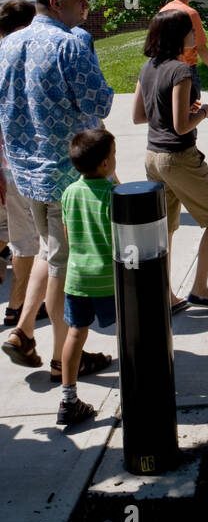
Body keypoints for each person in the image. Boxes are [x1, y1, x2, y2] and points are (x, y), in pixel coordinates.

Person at [0, 0, 114, 374]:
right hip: (66, 175)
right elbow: (99, 100)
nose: (86, 6)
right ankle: (63, 358)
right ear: (56, 3)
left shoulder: (8, 44)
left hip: (25, 172)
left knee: (50, 255)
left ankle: (24, 332)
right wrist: (87, 47)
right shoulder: (71, 44)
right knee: (63, 267)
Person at [132, 11, 208, 309]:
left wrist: (182, 111)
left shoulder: (148, 67)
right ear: (179, 36)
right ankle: (200, 288)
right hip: (179, 157)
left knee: (166, 229)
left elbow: (138, 116)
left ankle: (166, 295)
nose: (195, 37)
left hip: (153, 157)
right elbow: (181, 126)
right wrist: (203, 112)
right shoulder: (182, 70)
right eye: (191, 32)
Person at [57, 128, 120, 427]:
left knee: (75, 334)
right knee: (131, 330)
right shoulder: (112, 196)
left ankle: (68, 399)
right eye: (114, 155)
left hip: (78, 279)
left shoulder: (69, 193)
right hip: (109, 279)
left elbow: (69, 237)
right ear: (106, 164)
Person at [0, 0, 43, 330]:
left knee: (12, 237)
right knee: (26, 241)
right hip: (16, 168)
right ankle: (17, 310)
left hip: (10, 168)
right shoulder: (13, 58)